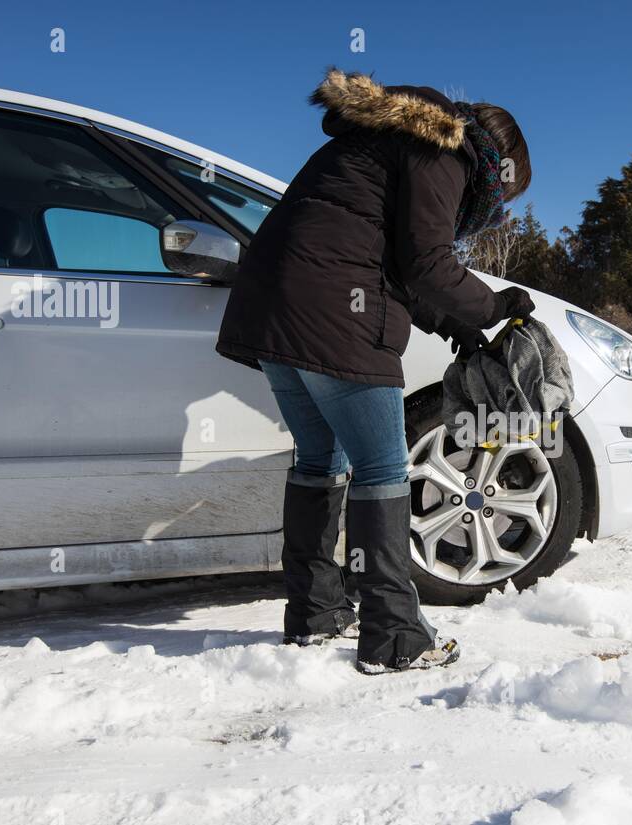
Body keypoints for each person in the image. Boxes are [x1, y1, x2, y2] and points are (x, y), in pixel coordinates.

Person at [216, 68, 536, 674]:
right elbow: (426, 262)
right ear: (502, 167)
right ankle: (395, 635)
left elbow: (381, 256)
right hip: (336, 311)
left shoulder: (381, 141)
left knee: (321, 460)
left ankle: (316, 612)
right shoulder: (445, 150)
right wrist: (497, 307)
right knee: (384, 467)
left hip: (274, 314)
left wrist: (455, 325)